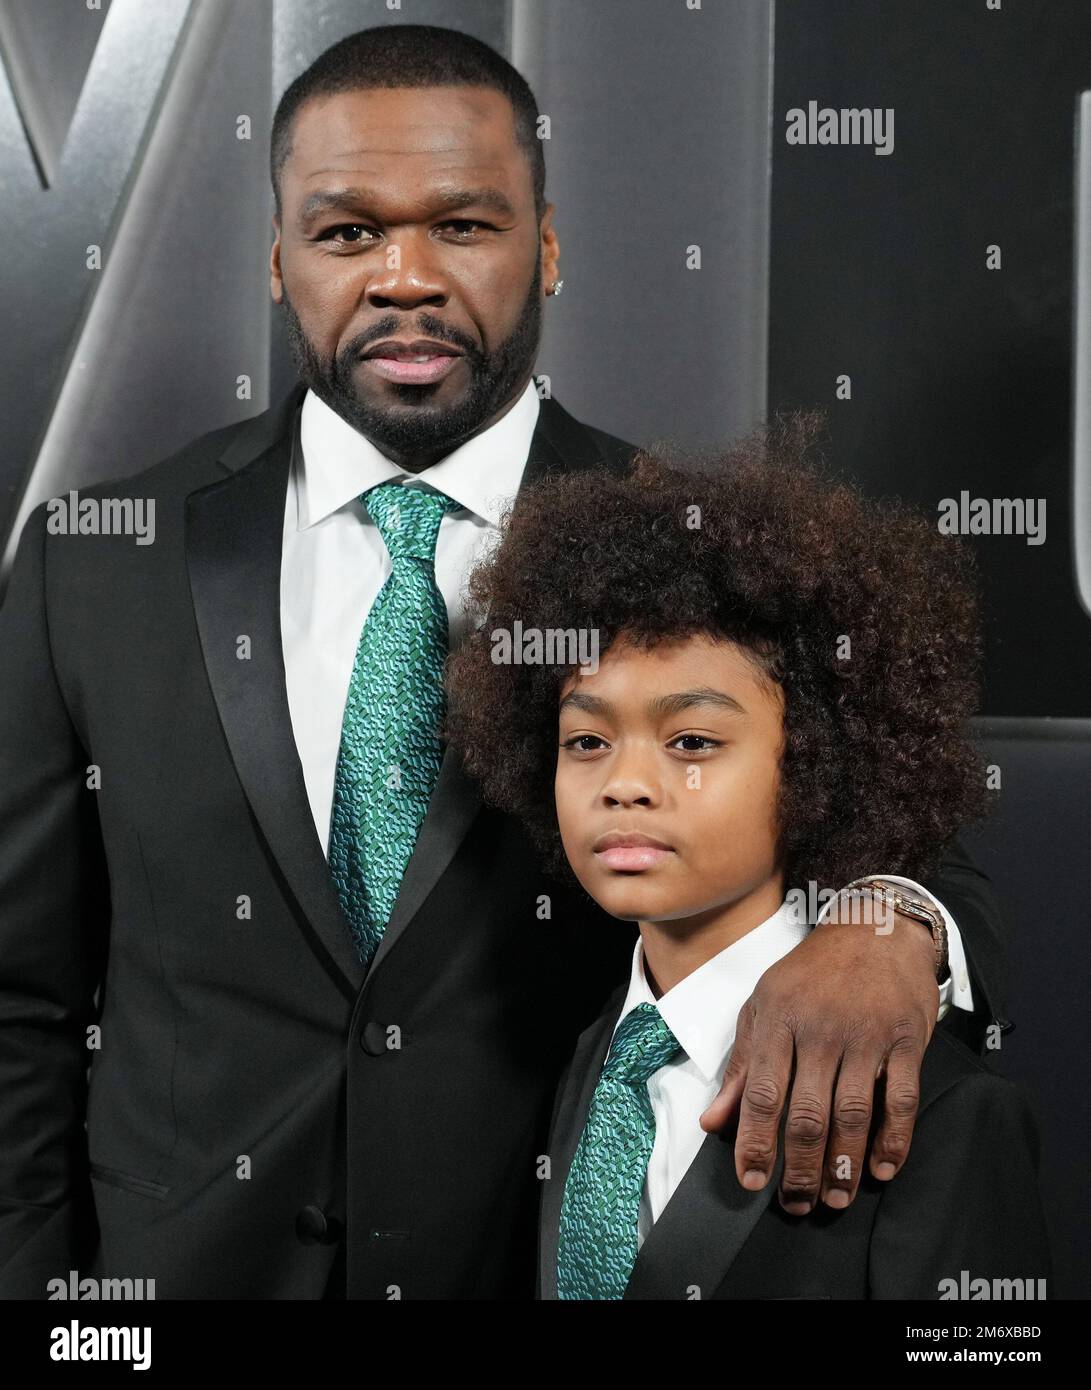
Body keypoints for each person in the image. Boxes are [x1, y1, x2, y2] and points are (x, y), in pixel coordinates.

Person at [0, 25, 1009, 1300]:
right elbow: (18, 998)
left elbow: (919, 844)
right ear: (277, 260)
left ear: (545, 248)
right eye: (346, 231)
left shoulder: (694, 545)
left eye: (463, 228)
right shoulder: (98, 561)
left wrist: (886, 926)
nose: (404, 277)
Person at [444, 427, 1052, 1299]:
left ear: (815, 760)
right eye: (585, 739)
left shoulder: (945, 1114)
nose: (625, 783)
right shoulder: (589, 1059)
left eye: (691, 740)